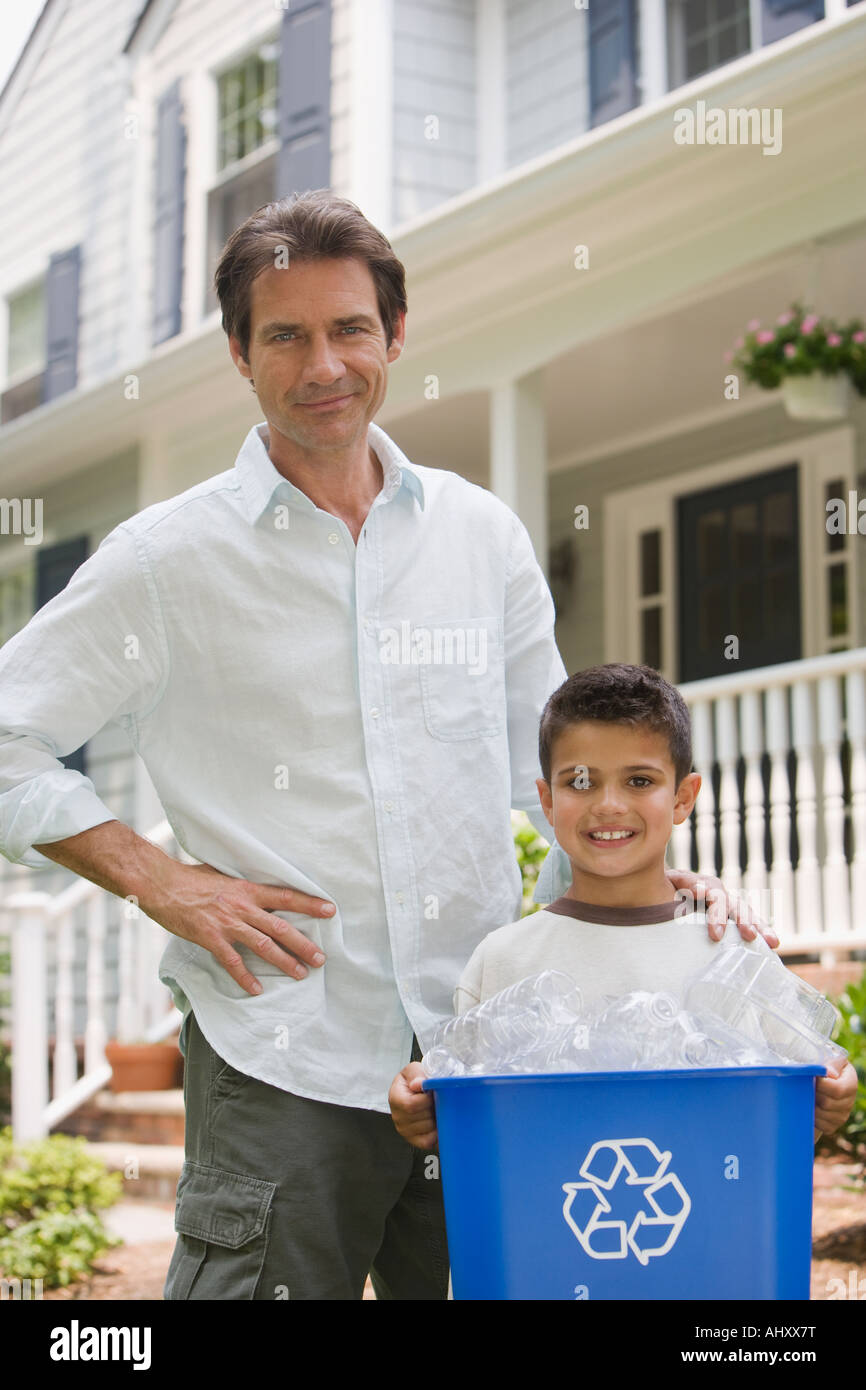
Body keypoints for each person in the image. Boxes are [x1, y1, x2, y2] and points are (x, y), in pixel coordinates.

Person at [0, 194, 767, 1302]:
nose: (324, 364)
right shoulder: (166, 562)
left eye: (349, 329)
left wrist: (642, 888)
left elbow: (551, 773)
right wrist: (160, 880)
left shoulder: (479, 537)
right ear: (238, 354)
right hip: (283, 1051)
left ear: (394, 337)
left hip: (480, 1051)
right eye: (285, 335)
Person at [389, 664, 858, 1151]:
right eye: (580, 781)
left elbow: (807, 1090)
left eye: (638, 781)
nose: (609, 804)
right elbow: (466, 1115)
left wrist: (833, 1099)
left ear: (682, 797)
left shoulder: (732, 947)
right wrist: (423, 1110)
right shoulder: (503, 960)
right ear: (547, 802)